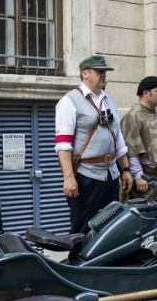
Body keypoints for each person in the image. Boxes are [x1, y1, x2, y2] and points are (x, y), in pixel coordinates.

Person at [55, 56, 132, 234]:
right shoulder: (69, 101)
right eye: (99, 71)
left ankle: (103, 262)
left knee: (110, 228)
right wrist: (68, 178)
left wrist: (126, 170)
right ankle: (76, 261)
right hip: (86, 176)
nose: (103, 75)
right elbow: (63, 145)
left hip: (111, 174)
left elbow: (118, 138)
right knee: (83, 228)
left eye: (104, 71)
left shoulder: (109, 100)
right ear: (85, 73)